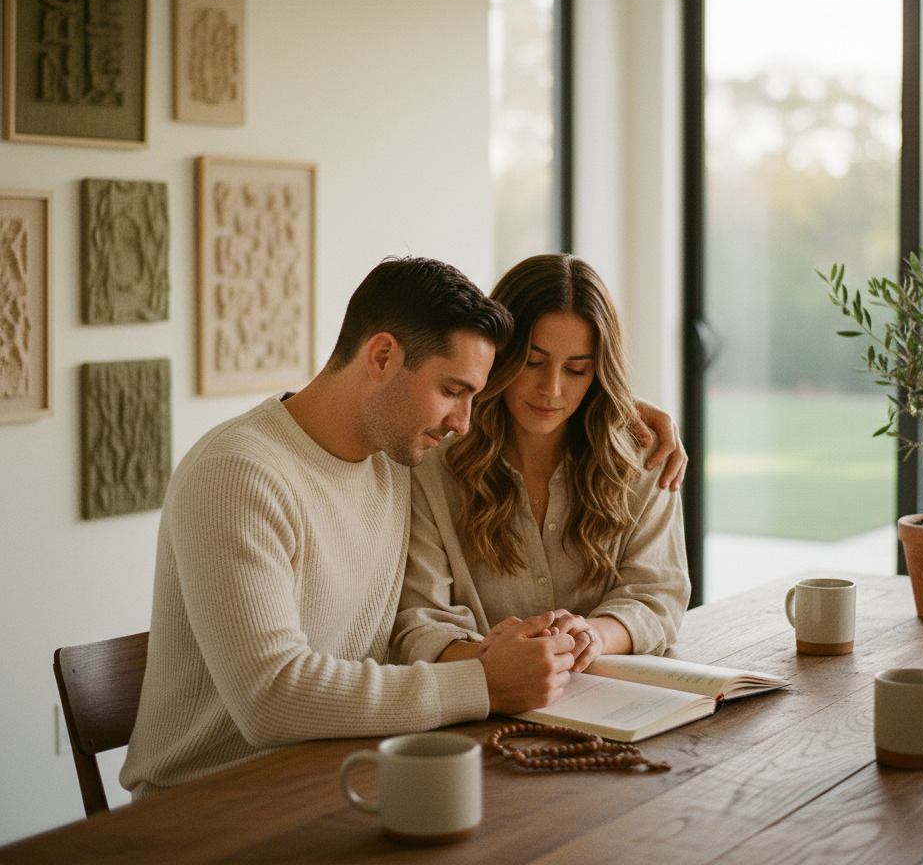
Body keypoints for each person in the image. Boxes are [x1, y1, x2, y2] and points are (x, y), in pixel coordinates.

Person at [122, 256, 683, 799]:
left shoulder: (393, 459)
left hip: (341, 773)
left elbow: (531, 405)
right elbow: (272, 699)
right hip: (214, 804)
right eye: (453, 391)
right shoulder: (237, 474)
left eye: (474, 394)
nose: (463, 421)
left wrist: (615, 406)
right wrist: (484, 682)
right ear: (383, 356)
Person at [391, 254, 690, 676]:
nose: (551, 390)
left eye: (576, 369)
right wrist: (503, 666)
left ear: (599, 372)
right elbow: (420, 624)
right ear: (498, 355)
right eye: (533, 362)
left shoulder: (644, 457)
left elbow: (657, 597)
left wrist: (591, 636)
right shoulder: (433, 465)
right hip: (476, 712)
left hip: (609, 705)